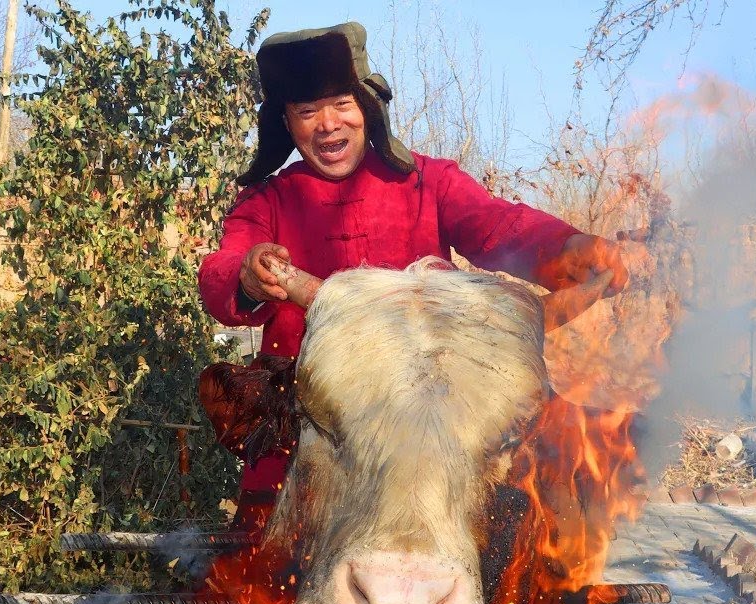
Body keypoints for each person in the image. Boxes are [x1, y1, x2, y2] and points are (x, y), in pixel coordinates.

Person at [197, 21, 637, 529]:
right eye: (306, 112)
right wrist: (248, 277)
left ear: (367, 107)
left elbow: (500, 226)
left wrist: (571, 249)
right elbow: (222, 270)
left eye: (341, 104)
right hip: (306, 436)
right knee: (254, 586)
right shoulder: (268, 202)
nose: (327, 124)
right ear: (287, 126)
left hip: (433, 438)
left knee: (520, 536)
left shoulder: (430, 182)